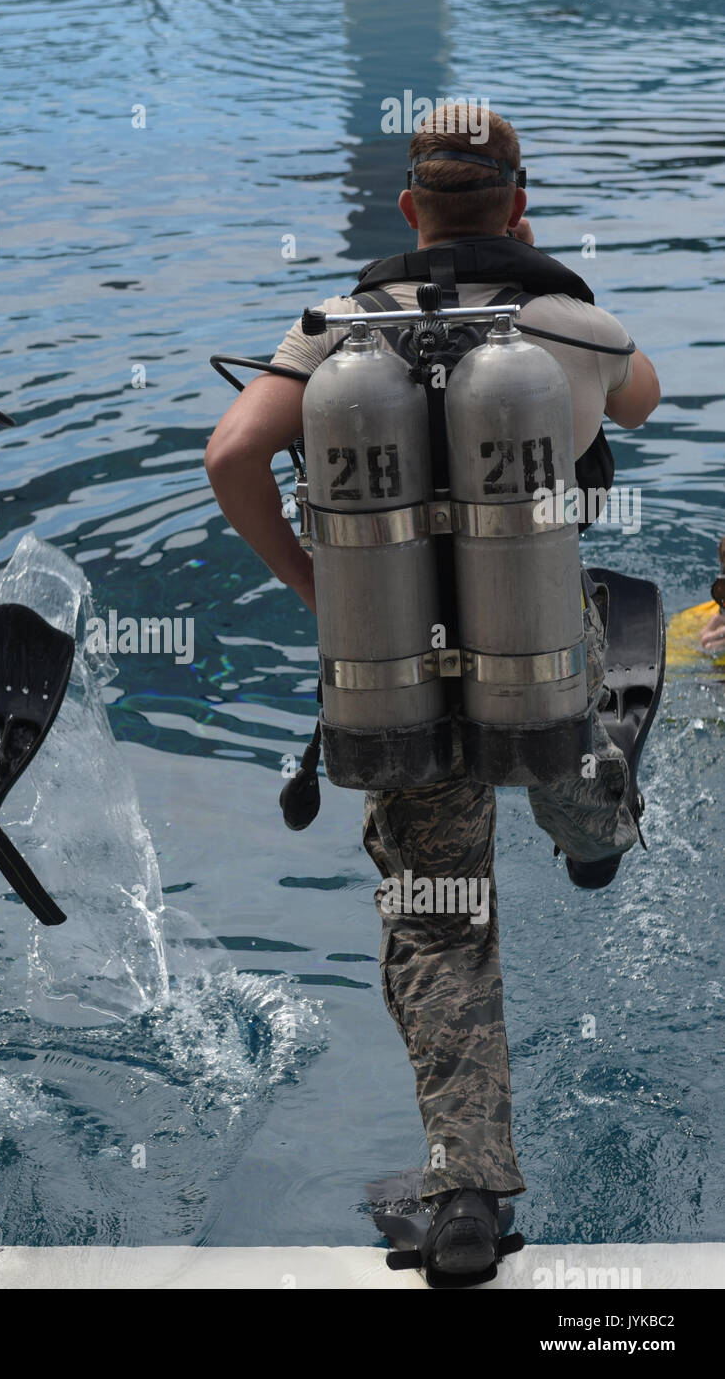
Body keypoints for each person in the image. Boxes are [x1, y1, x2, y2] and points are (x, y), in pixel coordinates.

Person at [205, 107, 662, 1282]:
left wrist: (315, 584)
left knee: (439, 919)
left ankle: (464, 1196)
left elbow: (229, 455)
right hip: (533, 646)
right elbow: (646, 402)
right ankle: (598, 829)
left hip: (392, 661)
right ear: (519, 205)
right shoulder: (569, 325)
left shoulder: (335, 336)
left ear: (408, 212)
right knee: (572, 744)